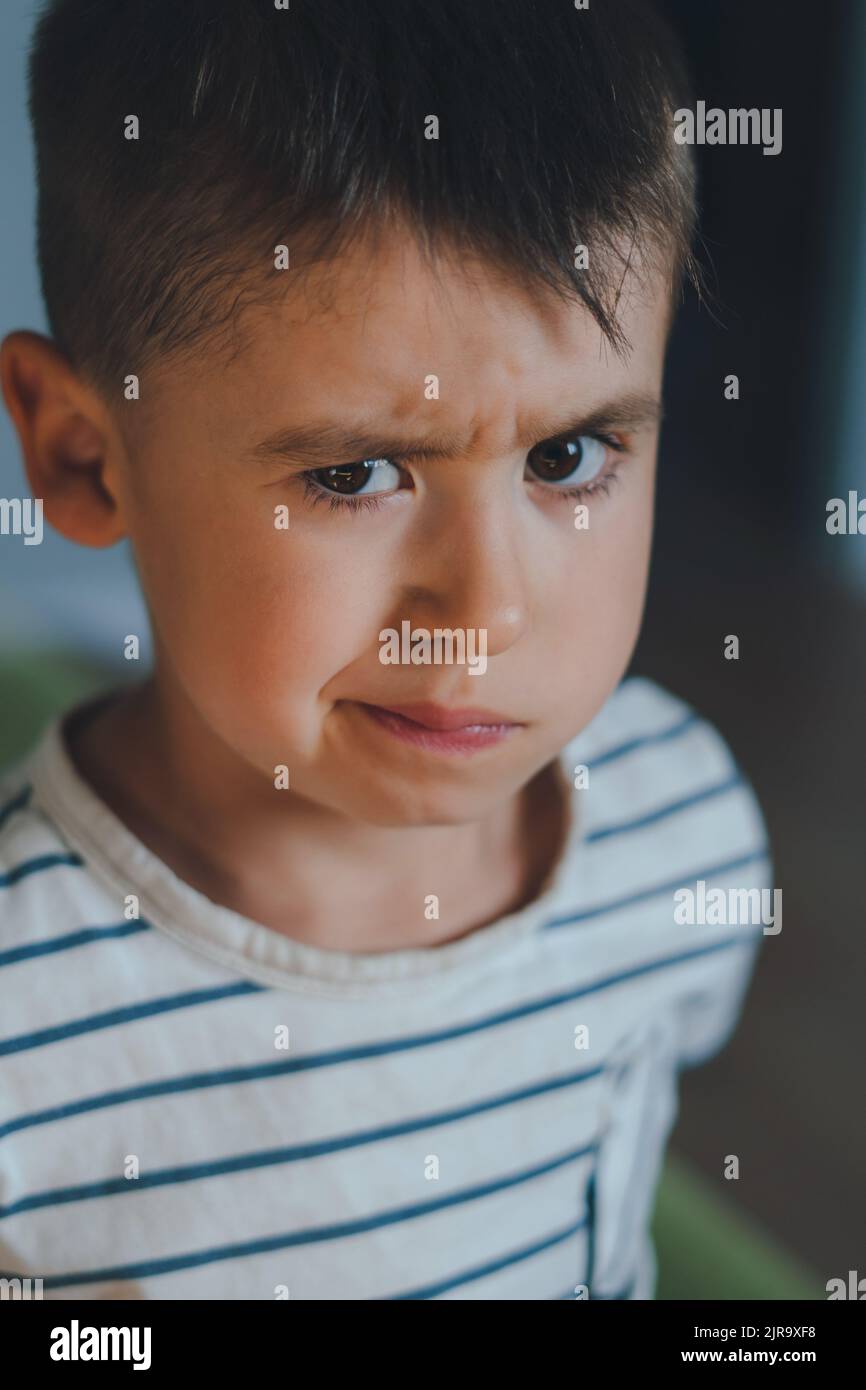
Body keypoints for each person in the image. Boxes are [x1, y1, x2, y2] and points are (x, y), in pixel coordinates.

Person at [0, 0, 771, 1299]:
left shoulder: (679, 830)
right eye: (354, 473)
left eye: (566, 456)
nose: (485, 613)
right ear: (85, 454)